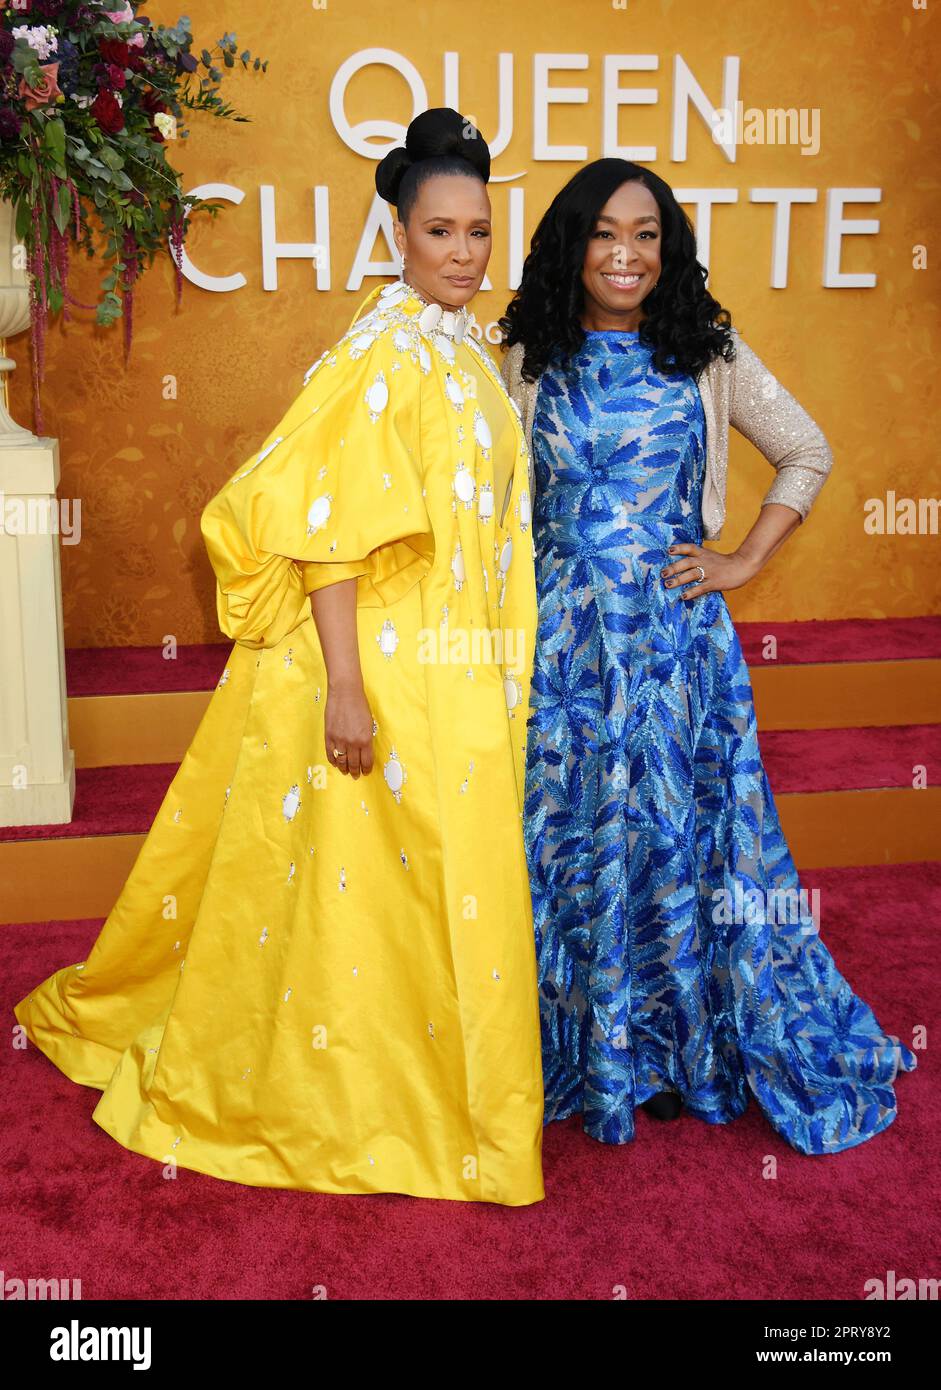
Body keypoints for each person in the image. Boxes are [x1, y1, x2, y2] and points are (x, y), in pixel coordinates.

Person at [14, 108, 545, 1204]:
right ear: (397, 231)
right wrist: (346, 688)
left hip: (454, 670)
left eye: (478, 232)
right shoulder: (378, 356)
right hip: (383, 675)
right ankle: (373, 1108)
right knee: (370, 892)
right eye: (440, 231)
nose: (462, 252)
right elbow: (320, 523)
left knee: (416, 889)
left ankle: (435, 1099)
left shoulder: (468, 353)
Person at [499, 158, 916, 1153]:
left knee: (676, 843)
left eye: (645, 234)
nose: (625, 254)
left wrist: (738, 560)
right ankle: (574, 1050)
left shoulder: (705, 348)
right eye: (603, 233)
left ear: (668, 247)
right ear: (571, 243)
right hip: (561, 650)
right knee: (570, 846)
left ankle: (676, 1048)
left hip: (677, 650)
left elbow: (805, 449)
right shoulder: (519, 353)